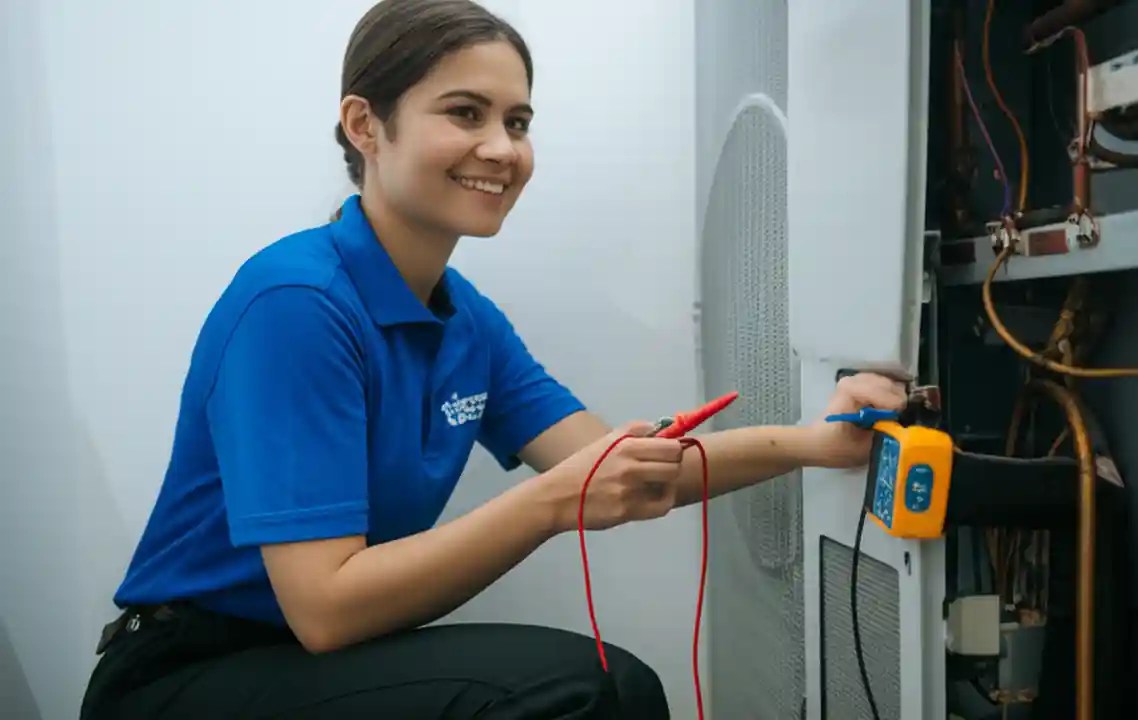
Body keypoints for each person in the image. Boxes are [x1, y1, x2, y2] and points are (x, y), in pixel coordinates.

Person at [79, 1, 907, 718]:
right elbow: (325, 608)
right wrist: (550, 504)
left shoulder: (464, 320)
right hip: (190, 675)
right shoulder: (295, 305)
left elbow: (624, 467)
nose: (503, 149)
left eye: (517, 121)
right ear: (366, 125)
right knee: (590, 691)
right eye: (466, 113)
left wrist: (815, 440)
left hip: (302, 659)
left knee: (613, 688)